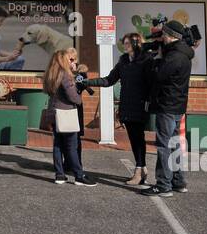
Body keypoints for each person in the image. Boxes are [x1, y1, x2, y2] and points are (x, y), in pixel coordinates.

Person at [80, 32, 150, 185]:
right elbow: (108, 80)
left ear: (137, 44)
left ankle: (139, 170)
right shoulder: (123, 62)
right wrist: (87, 82)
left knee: (139, 138)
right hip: (126, 104)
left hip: (140, 105)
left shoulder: (146, 60)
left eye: (127, 43)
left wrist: (149, 102)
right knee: (133, 137)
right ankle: (141, 168)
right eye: (124, 43)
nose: (125, 46)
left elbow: (151, 83)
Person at [141, 19, 194, 197]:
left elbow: (158, 75)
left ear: (170, 36)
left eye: (164, 34)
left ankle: (163, 184)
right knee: (175, 144)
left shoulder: (173, 56)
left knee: (164, 146)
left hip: (167, 106)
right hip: (178, 105)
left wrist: (154, 60)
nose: (161, 37)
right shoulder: (184, 53)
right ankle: (178, 182)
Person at [43, 47, 96, 186]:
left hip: (53, 112)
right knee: (72, 145)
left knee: (57, 145)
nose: (71, 61)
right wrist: (78, 97)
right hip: (65, 113)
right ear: (63, 60)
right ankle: (79, 175)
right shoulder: (65, 75)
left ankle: (59, 175)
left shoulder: (51, 74)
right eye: (69, 59)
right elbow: (74, 97)